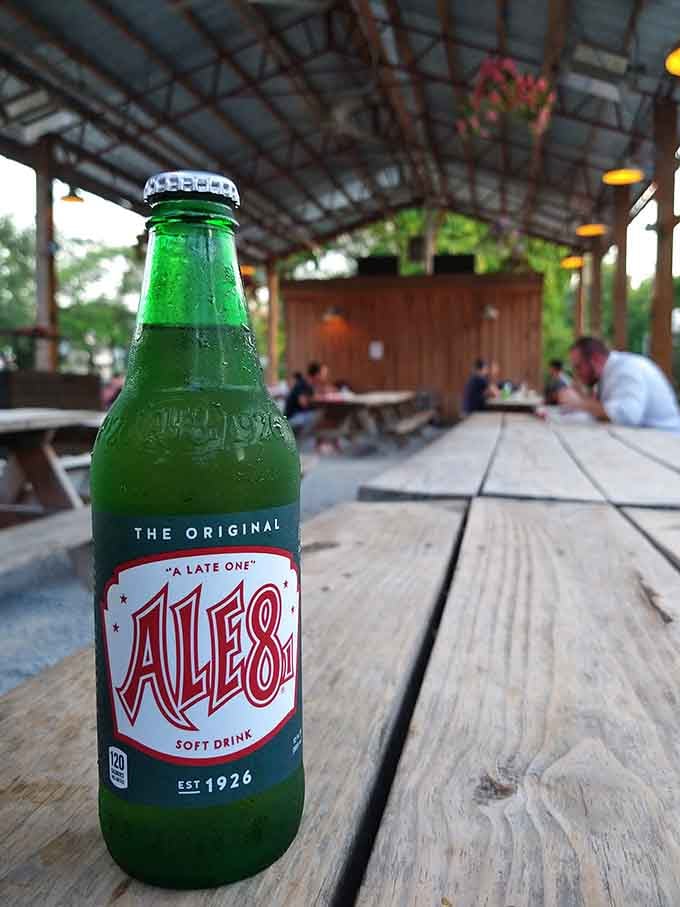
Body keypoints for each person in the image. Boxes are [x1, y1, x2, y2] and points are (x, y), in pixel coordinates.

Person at [558, 336, 680, 431]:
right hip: (648, 440)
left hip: (666, 444)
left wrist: (580, 403)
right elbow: (607, 412)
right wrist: (581, 400)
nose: (577, 373)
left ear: (595, 359)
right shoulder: (610, 373)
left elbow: (627, 416)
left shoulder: (626, 369)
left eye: (578, 367)